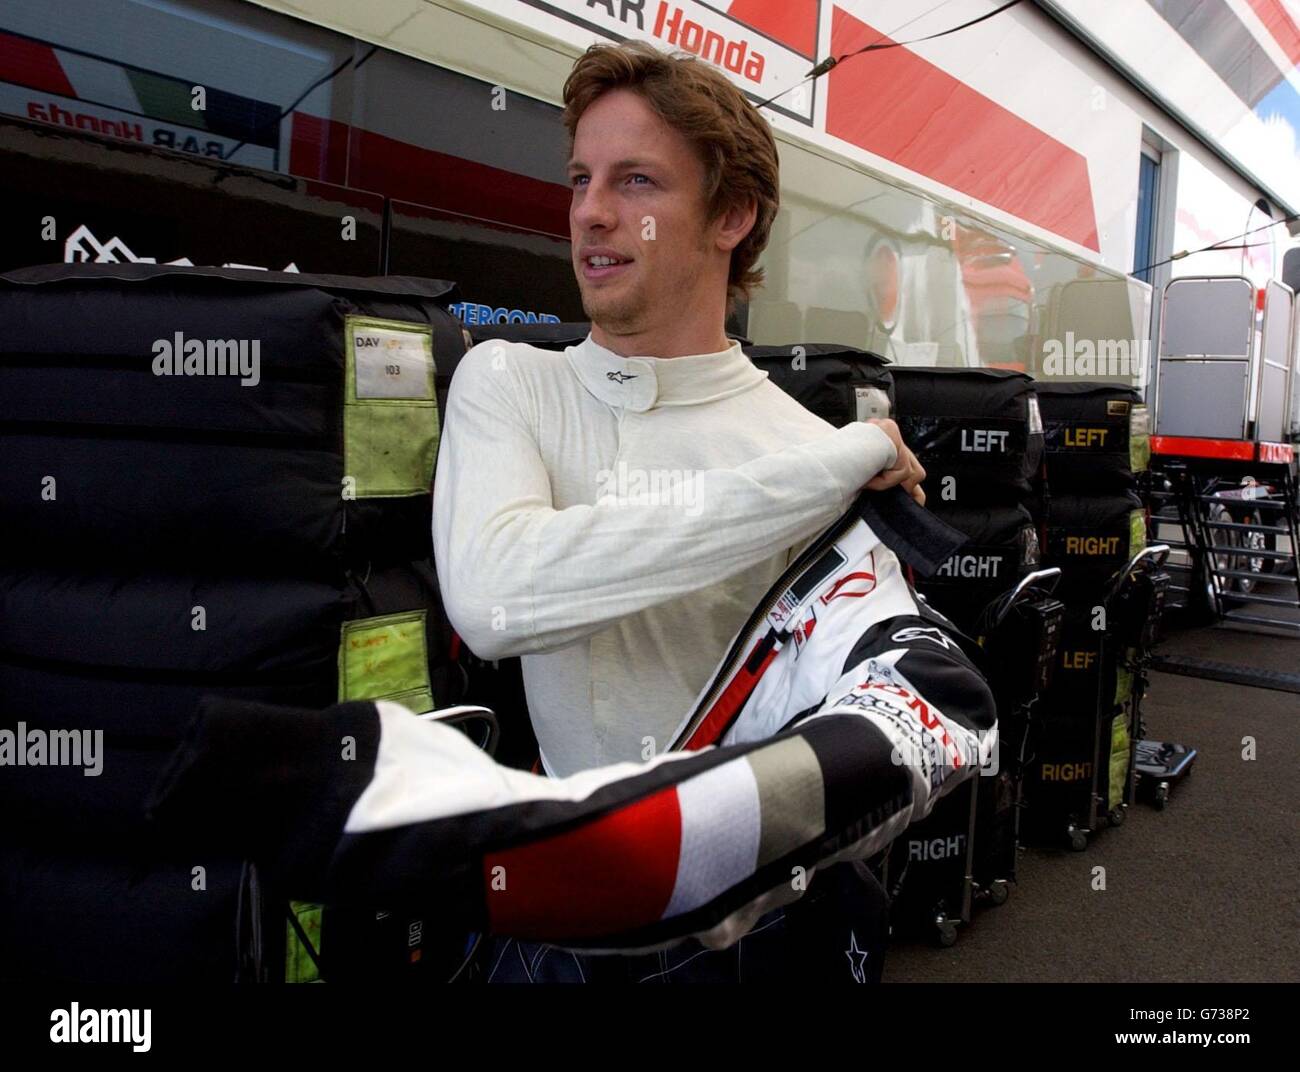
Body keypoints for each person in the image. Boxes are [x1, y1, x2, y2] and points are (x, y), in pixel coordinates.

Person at [432, 40, 926, 783]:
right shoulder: (507, 380)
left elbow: (861, 722)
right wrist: (842, 460)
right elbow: (493, 597)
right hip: (569, 881)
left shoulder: (802, 447)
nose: (591, 213)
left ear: (730, 215)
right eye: (580, 180)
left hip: (755, 885)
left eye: (636, 181)